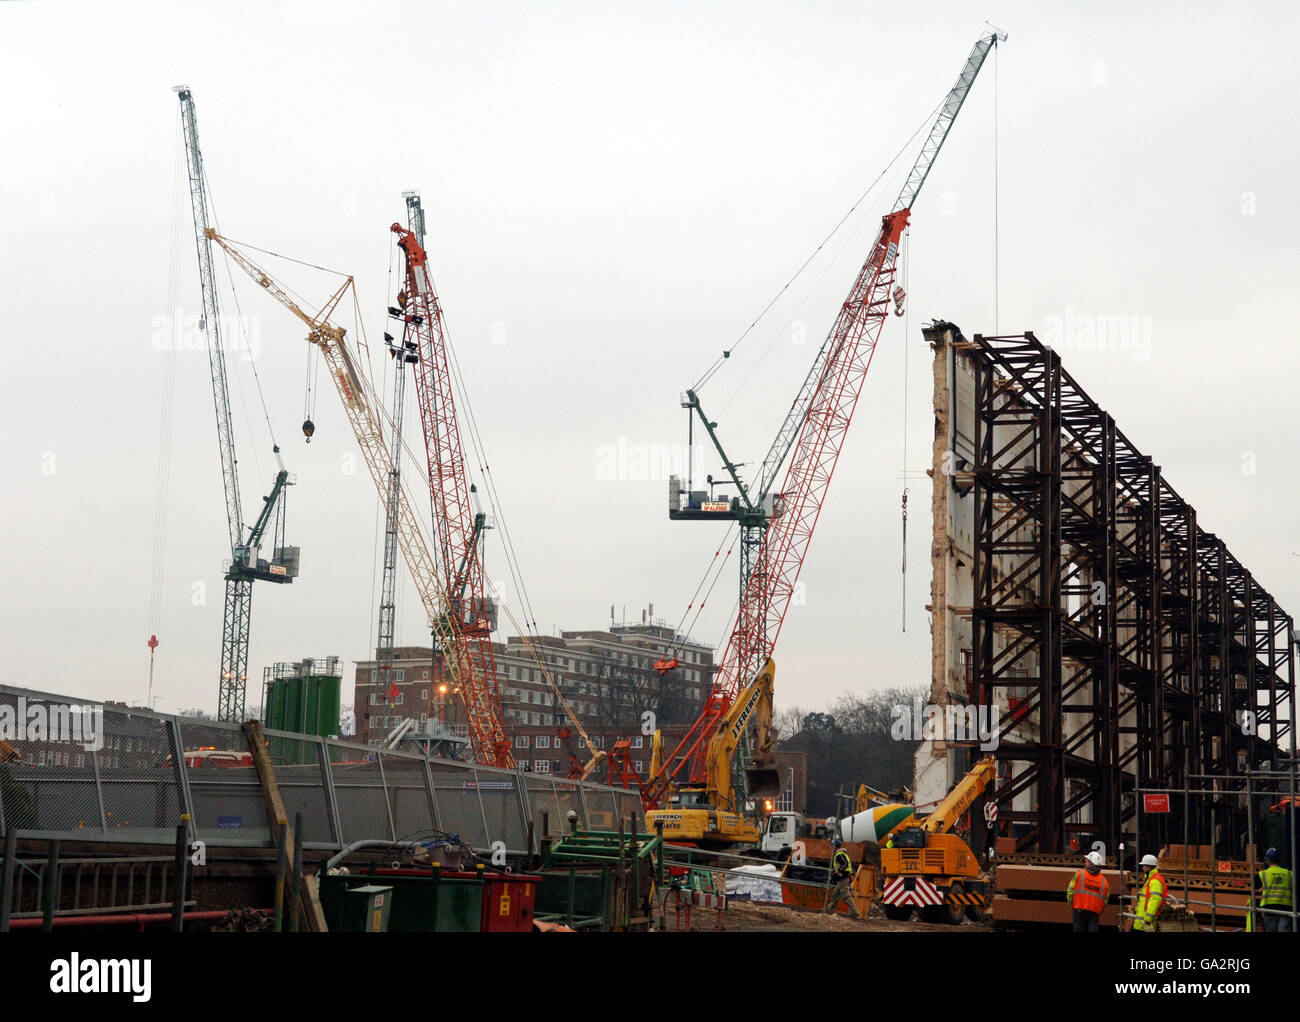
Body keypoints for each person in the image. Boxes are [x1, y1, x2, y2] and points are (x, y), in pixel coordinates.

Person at [1066, 850, 1109, 932]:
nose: (1085, 863)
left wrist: (1071, 904)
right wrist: (1099, 912)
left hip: (1079, 912)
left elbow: (1070, 891)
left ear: (1090, 862)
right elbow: (1105, 901)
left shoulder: (1079, 874)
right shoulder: (1104, 882)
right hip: (1094, 915)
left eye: (1086, 861)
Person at [823, 836, 861, 919]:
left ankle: (855, 912)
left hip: (843, 878)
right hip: (842, 878)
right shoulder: (841, 854)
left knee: (845, 896)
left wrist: (839, 870)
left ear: (834, 846)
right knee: (835, 895)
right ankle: (829, 910)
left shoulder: (839, 854)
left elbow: (845, 864)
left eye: (832, 846)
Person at [1257, 848, 1294, 932]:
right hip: (1286, 908)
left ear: (1267, 860)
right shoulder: (1289, 874)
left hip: (1269, 908)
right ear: (1279, 859)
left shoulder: (1263, 874)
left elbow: (1255, 886)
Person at [1132, 853, 1165, 932]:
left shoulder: (1154, 881)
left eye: (1144, 865)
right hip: (1141, 919)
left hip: (1145, 921)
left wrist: (1148, 918)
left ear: (1148, 866)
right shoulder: (1149, 879)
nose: (1143, 867)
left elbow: (1155, 900)